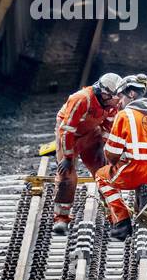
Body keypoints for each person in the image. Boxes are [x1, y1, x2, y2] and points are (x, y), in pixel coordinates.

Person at [94, 76, 147, 241]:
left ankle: (122, 223)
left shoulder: (125, 115)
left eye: (121, 96)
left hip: (133, 170)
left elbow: (111, 153)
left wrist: (117, 163)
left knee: (102, 176)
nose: (119, 102)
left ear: (131, 94)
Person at [52, 72, 123, 236]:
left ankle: (115, 216)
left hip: (91, 133)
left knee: (105, 172)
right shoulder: (82, 99)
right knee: (66, 176)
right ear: (105, 94)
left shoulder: (111, 104)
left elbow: (109, 128)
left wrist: (113, 152)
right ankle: (61, 218)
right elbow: (66, 130)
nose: (120, 99)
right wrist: (68, 157)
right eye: (116, 96)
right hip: (69, 136)